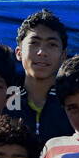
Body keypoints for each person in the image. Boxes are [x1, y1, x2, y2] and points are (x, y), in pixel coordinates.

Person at [11, 9, 70, 146]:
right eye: (34, 43)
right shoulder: (3, 100)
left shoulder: (72, 104)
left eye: (52, 45)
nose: (42, 52)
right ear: (19, 53)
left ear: (63, 56)